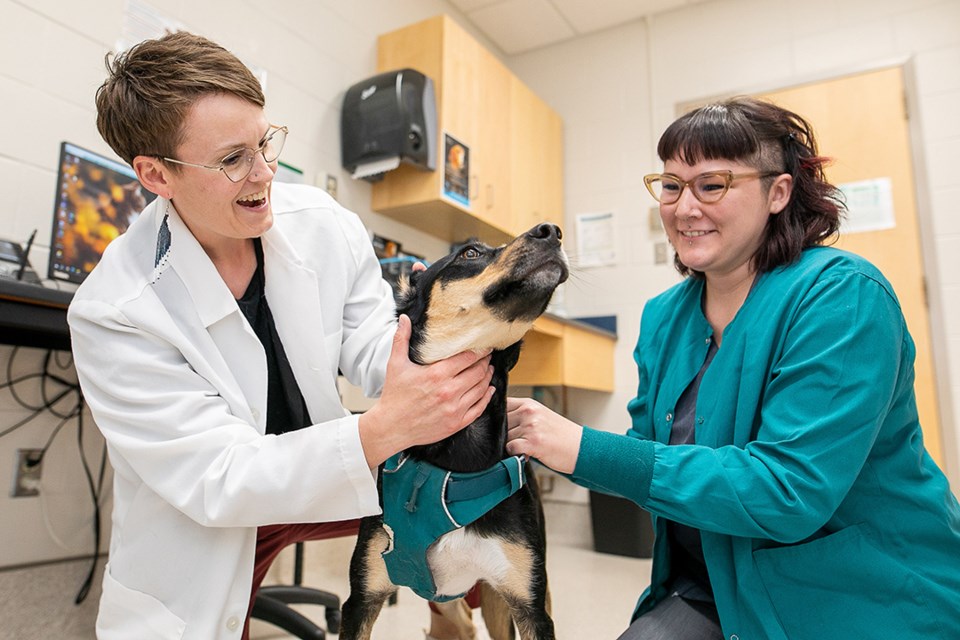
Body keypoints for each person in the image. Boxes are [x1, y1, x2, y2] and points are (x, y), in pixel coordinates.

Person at [69, 31, 496, 639]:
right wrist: (383, 428)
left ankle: (450, 612)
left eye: (264, 143)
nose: (265, 173)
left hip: (332, 467)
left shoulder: (323, 225)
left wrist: (431, 335)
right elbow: (221, 479)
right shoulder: (115, 310)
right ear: (155, 174)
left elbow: (373, 346)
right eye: (232, 159)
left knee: (472, 481)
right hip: (219, 513)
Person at [505, 96, 960, 640]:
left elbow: (789, 491)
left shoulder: (840, 295)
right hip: (716, 581)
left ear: (778, 192)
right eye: (671, 186)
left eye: (712, 185)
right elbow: (646, 452)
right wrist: (526, 441)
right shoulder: (664, 317)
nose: (685, 207)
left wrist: (579, 445)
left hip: (859, 592)